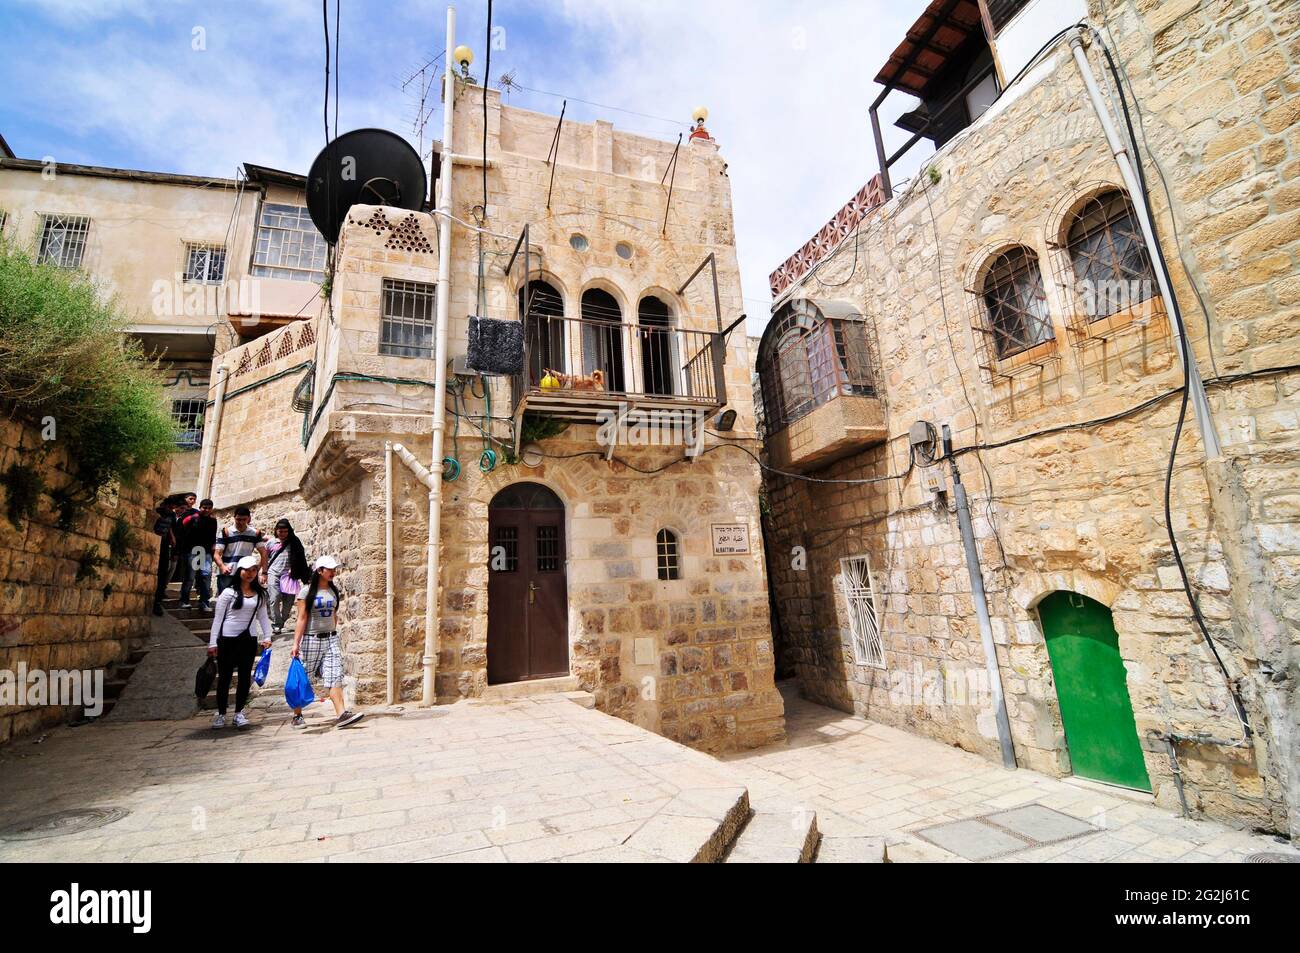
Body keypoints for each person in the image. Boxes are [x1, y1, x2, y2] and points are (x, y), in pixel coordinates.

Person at [291, 555, 363, 729]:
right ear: (319, 571)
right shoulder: (306, 592)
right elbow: (301, 618)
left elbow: (334, 614)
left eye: (333, 569)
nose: (333, 572)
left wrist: (334, 632)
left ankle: (341, 714)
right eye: (329, 569)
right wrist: (296, 644)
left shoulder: (333, 591)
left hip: (330, 638)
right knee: (304, 678)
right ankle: (297, 715)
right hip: (311, 639)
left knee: (334, 675)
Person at [207, 554, 272, 729]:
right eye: (247, 570)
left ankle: (239, 712)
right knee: (225, 678)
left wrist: (267, 636)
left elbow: (263, 617)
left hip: (248, 640)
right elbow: (218, 619)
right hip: (228, 639)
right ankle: (221, 713)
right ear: (239, 571)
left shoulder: (260, 595)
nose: (250, 574)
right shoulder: (228, 593)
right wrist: (213, 642)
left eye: (253, 570)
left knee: (244, 678)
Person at [265, 519, 310, 636]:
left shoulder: (294, 542)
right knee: (274, 598)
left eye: (285, 531)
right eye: (280, 531)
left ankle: (281, 622)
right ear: (276, 531)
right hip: (273, 573)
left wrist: (294, 569)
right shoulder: (271, 543)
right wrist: (263, 572)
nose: (283, 534)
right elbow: (265, 558)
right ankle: (276, 625)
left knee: (288, 603)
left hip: (289, 576)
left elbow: (300, 558)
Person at [213, 506, 267, 596]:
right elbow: (216, 554)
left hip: (245, 573)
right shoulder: (226, 532)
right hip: (228, 572)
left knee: (243, 600)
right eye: (238, 519)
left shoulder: (255, 533)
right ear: (234, 518)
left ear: (249, 519)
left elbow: (264, 553)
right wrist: (222, 567)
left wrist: (261, 569)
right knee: (225, 600)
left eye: (244, 519)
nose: (241, 522)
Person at [178, 498, 218, 612]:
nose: (206, 510)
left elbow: (213, 537)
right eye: (204, 508)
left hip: (205, 552)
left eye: (209, 508)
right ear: (200, 507)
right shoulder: (192, 518)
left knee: (206, 576)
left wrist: (212, 550)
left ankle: (204, 602)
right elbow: (182, 529)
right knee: (190, 576)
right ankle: (184, 601)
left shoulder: (212, 521)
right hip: (193, 550)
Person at [150, 495, 181, 616]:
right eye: (170, 507)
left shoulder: (171, 515)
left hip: (164, 544)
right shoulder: (157, 512)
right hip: (153, 542)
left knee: (163, 572)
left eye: (173, 508)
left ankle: (157, 601)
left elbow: (171, 528)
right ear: (164, 505)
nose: (171, 510)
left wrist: (172, 537)